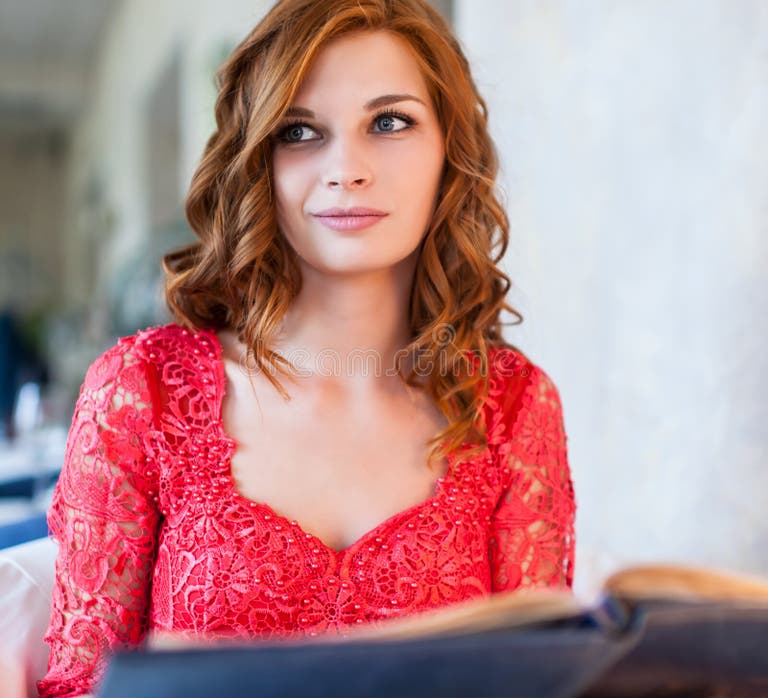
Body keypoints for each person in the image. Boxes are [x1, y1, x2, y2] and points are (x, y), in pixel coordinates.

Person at [37, 0, 577, 695]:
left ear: (450, 148)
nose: (346, 169)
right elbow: (79, 686)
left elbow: (541, 682)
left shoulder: (513, 405)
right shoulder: (140, 390)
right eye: (300, 131)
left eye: (389, 122)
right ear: (257, 158)